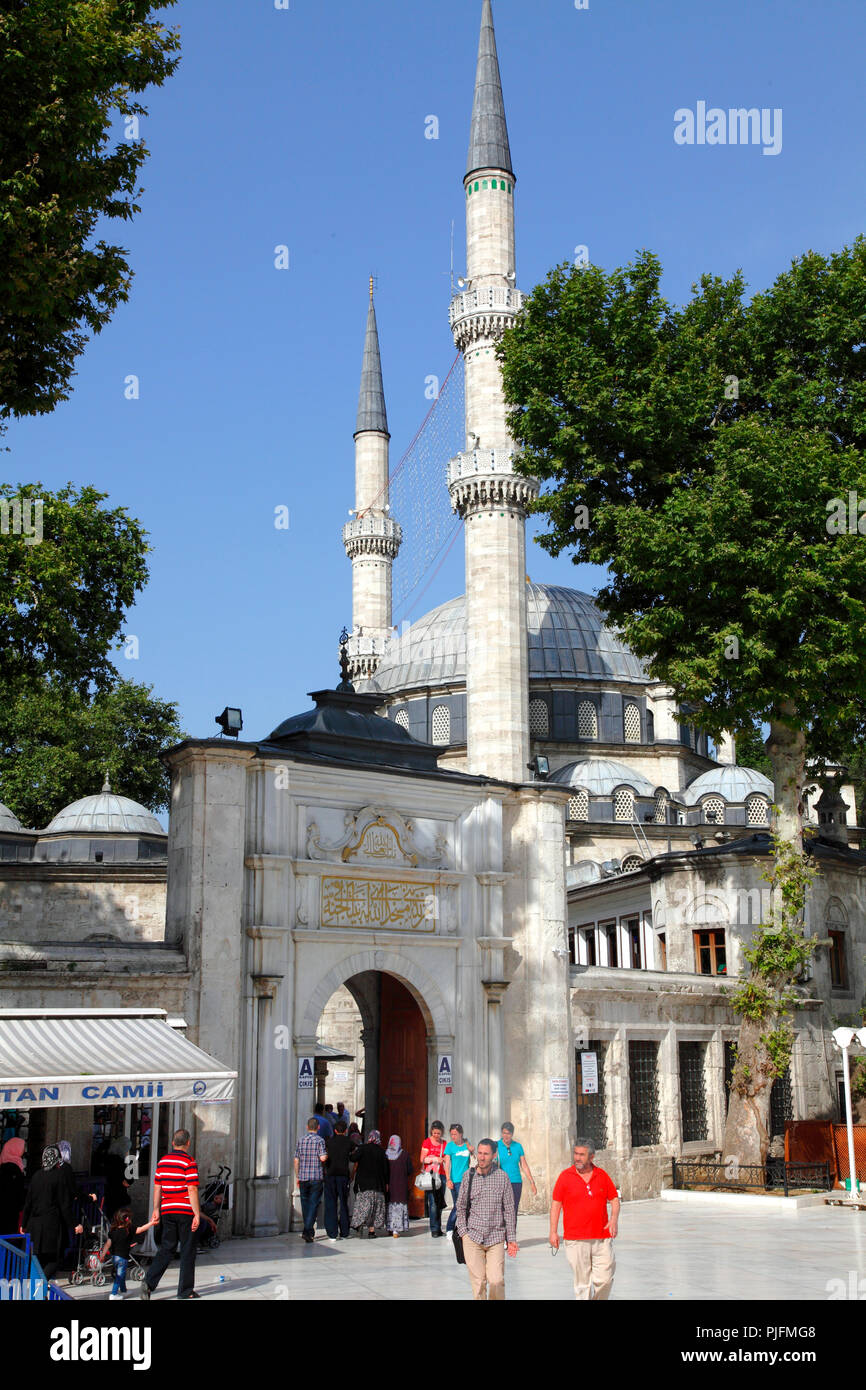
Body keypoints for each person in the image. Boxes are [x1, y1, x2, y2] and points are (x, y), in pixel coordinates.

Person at [549, 1138, 620, 1301]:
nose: (577, 1158)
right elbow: (556, 1205)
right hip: (576, 1239)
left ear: (592, 1157)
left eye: (582, 1154)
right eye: (575, 1154)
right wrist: (553, 1232)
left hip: (601, 1238)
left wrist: (614, 1219)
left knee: (605, 1279)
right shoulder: (565, 1177)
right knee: (582, 1285)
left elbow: (614, 1199)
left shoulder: (601, 1175)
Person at [140, 1128, 201, 1301]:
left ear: (173, 1143)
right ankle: (185, 1291)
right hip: (185, 1210)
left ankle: (148, 1282)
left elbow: (157, 1187)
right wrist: (197, 1213)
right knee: (188, 1250)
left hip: (167, 1210)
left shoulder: (163, 1162)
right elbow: (192, 1189)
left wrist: (156, 1209)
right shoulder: (189, 1162)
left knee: (167, 1248)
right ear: (188, 1143)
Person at [455, 1138, 517, 1301]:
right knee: (479, 1283)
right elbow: (460, 1207)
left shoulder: (503, 1177)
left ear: (494, 1155)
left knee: (496, 1281)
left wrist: (511, 1239)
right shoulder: (468, 1177)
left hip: (495, 1238)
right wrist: (463, 1233)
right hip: (472, 1237)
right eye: (480, 1153)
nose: (481, 1157)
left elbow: (509, 1210)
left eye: (486, 1154)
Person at [21, 1146, 84, 1280]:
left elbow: (29, 1202)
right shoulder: (59, 1176)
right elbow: (64, 1204)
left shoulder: (36, 1176)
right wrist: (74, 1224)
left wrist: (23, 1223)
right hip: (52, 1226)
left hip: (35, 1225)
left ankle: (38, 1290)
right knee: (55, 1258)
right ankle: (40, 1284)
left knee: (39, 1258)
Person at [100, 1206, 154, 1300]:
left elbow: (108, 1244)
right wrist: (151, 1223)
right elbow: (140, 1229)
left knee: (121, 1274)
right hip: (122, 1258)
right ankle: (113, 1294)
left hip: (114, 1257)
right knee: (119, 1276)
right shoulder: (128, 1230)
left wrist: (102, 1255)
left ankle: (124, 1291)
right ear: (127, 1219)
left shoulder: (113, 1230)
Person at [349, 1129, 389, 1238]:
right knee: (375, 1208)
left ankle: (357, 1223)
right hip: (377, 1184)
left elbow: (353, 1158)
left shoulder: (363, 1149)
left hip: (364, 1183)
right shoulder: (381, 1152)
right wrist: (386, 1183)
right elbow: (386, 1170)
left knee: (363, 1205)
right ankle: (371, 1231)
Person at [294, 1116, 326, 1243]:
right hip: (316, 1176)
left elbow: (296, 1160)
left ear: (307, 1127)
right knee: (314, 1204)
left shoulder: (301, 1140)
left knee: (305, 1204)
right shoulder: (320, 1141)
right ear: (318, 1127)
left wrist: (297, 1175)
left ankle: (308, 1232)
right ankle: (308, 1229)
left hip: (303, 1177)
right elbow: (323, 1158)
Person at [321, 1118, 351, 1241]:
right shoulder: (349, 1142)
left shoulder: (328, 1142)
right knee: (343, 1203)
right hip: (343, 1176)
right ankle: (344, 1232)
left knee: (331, 1204)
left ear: (334, 1130)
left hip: (330, 1175)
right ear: (346, 1131)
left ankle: (332, 1233)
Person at [498, 1122, 537, 1215]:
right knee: (502, 1210)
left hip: (516, 1182)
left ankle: (512, 1229)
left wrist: (532, 1182)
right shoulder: (496, 1145)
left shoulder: (518, 1146)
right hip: (502, 1182)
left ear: (512, 1134)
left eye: (508, 1133)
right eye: (504, 1133)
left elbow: (524, 1165)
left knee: (514, 1210)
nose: (506, 1135)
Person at [444, 1123, 474, 1238]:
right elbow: (447, 1164)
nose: (453, 1136)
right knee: (458, 1205)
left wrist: (471, 1149)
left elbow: (474, 1156)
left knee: (467, 1205)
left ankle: (464, 1228)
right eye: (451, 1134)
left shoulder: (467, 1145)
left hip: (467, 1180)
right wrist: (448, 1179)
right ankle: (450, 1228)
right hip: (455, 1180)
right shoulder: (450, 1146)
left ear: (461, 1134)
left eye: (455, 1134)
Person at [420, 1121, 447, 1237]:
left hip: (442, 1174)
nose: (436, 1135)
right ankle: (434, 1229)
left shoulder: (444, 1143)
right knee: (433, 1202)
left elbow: (446, 1159)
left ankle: (438, 1227)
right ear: (431, 1131)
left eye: (438, 1133)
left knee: (440, 1201)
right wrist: (435, 1158)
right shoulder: (427, 1142)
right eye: (435, 1133)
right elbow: (422, 1159)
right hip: (431, 1175)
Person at [384, 1135, 413, 1237]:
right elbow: (410, 1170)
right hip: (401, 1185)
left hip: (390, 1186)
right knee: (399, 1207)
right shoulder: (404, 1154)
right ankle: (396, 1230)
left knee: (390, 1207)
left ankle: (390, 1228)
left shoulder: (386, 1154)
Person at [0, 1138, 26, 1238]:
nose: (24, 1150)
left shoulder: (2, 1167)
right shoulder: (15, 1168)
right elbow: (18, 1193)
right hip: (11, 1212)